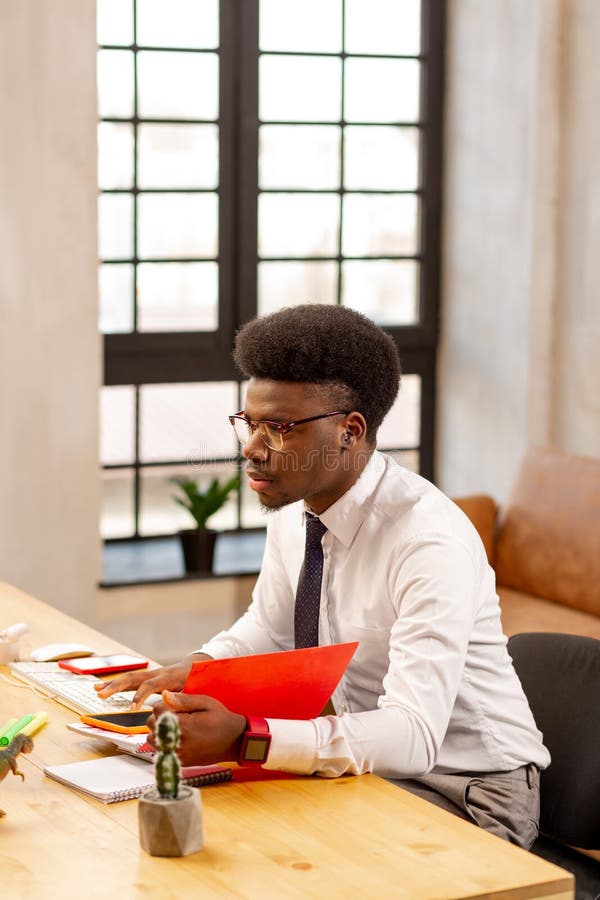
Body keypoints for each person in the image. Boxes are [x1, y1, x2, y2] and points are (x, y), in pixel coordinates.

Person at [97, 303, 549, 848]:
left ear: (349, 430)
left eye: (279, 428)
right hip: (378, 773)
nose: (253, 450)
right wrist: (196, 668)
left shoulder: (427, 540)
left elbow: (413, 735)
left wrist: (249, 738)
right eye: (250, 423)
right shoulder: (298, 507)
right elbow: (269, 628)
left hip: (470, 792)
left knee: (277, 851)